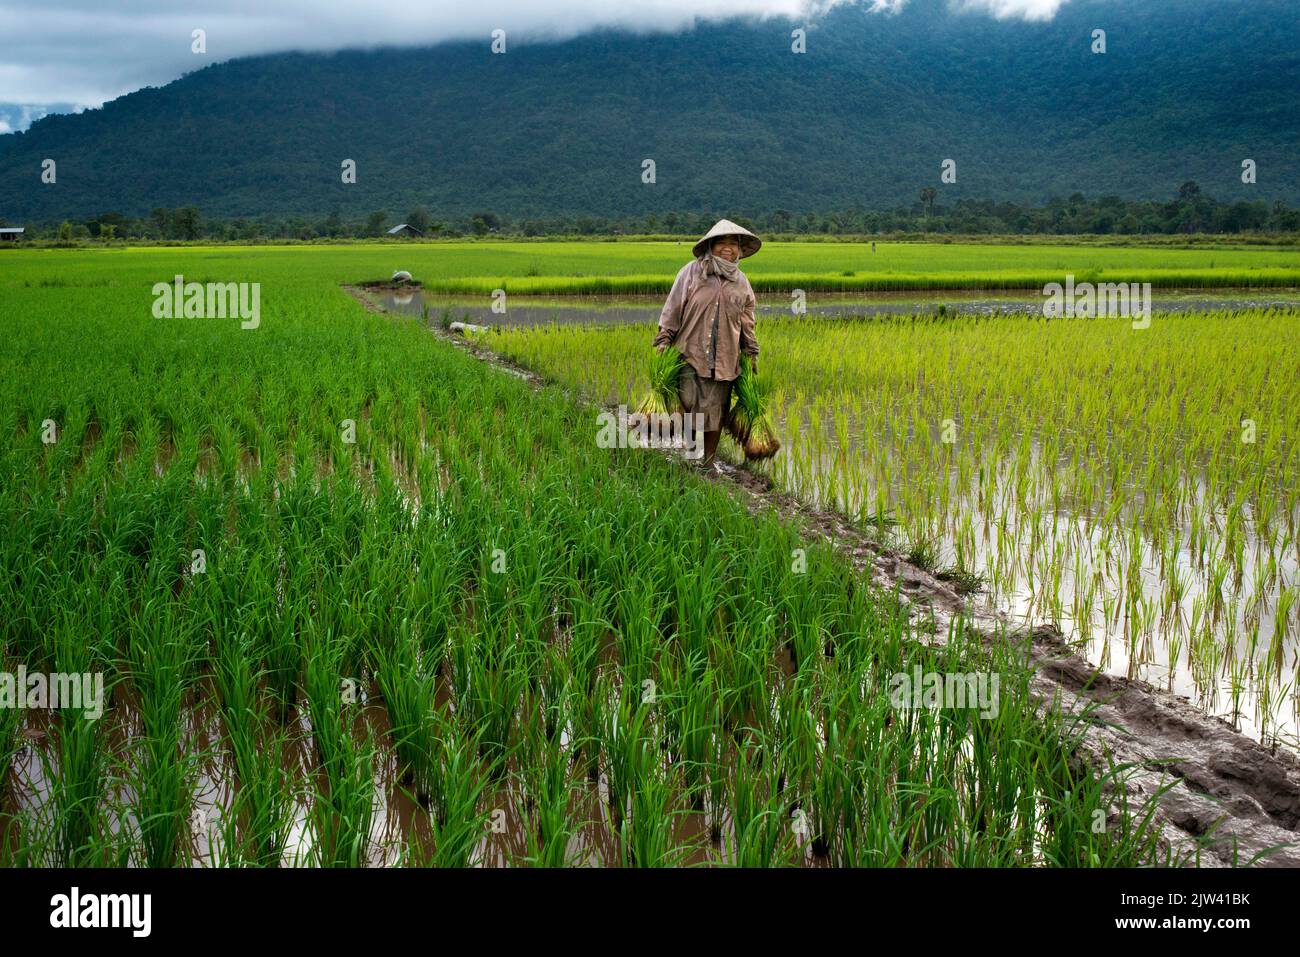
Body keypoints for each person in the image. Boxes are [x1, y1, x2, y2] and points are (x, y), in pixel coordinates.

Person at [654, 219, 761, 470]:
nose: (727, 248)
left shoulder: (742, 282)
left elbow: (748, 323)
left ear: (740, 249)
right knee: (689, 406)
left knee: (716, 413)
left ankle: (709, 463)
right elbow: (672, 309)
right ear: (710, 246)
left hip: (726, 359)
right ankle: (691, 456)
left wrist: (751, 353)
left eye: (733, 243)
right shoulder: (691, 272)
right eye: (721, 242)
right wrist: (664, 339)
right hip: (689, 353)